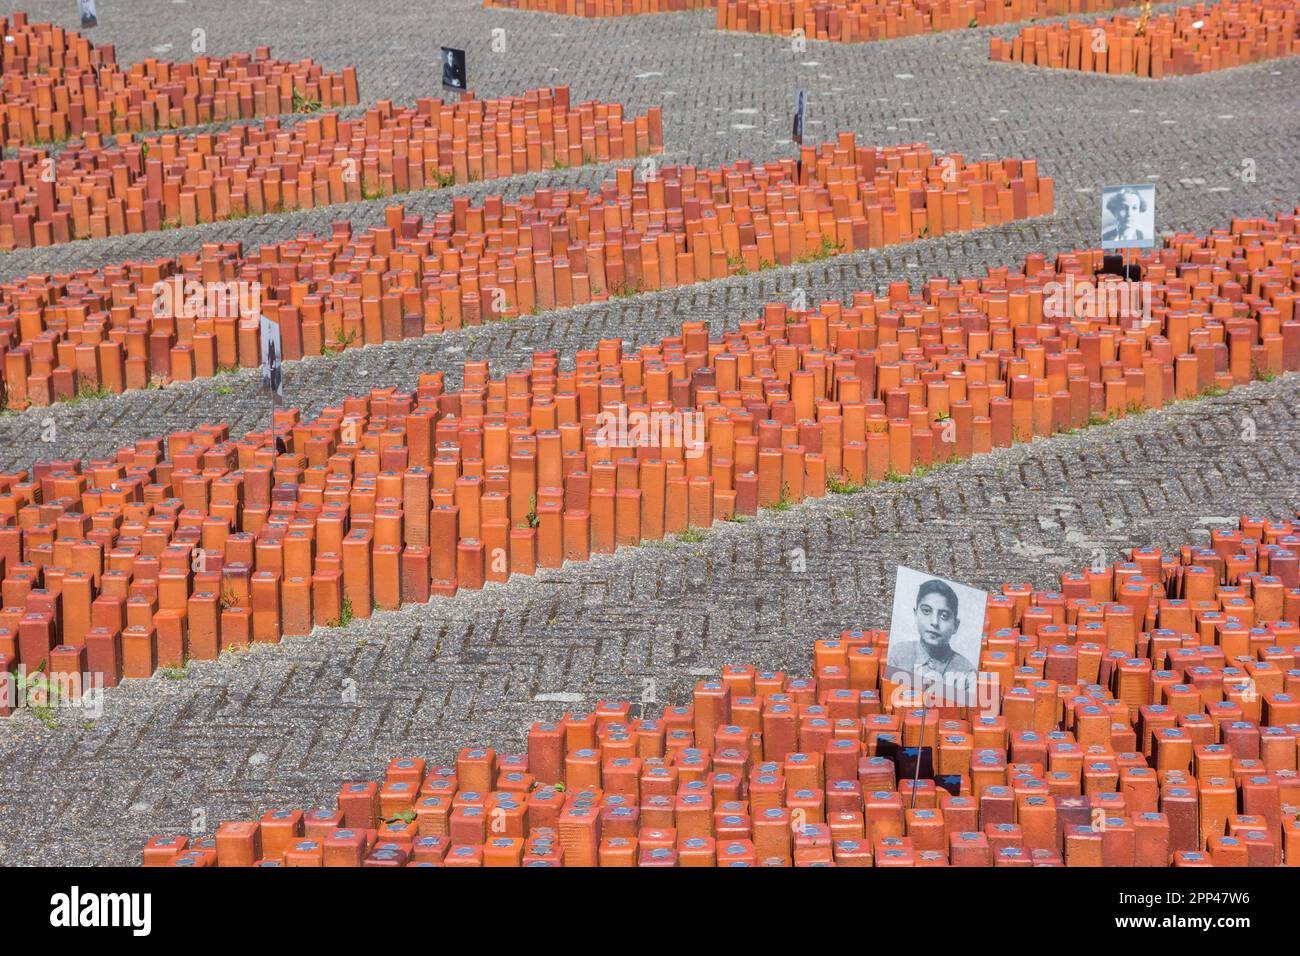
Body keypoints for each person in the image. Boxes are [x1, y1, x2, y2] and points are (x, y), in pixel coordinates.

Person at [889, 578, 977, 685]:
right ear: (916, 615)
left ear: (955, 626)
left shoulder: (967, 672)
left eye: (944, 616)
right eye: (926, 611)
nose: (934, 622)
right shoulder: (898, 655)